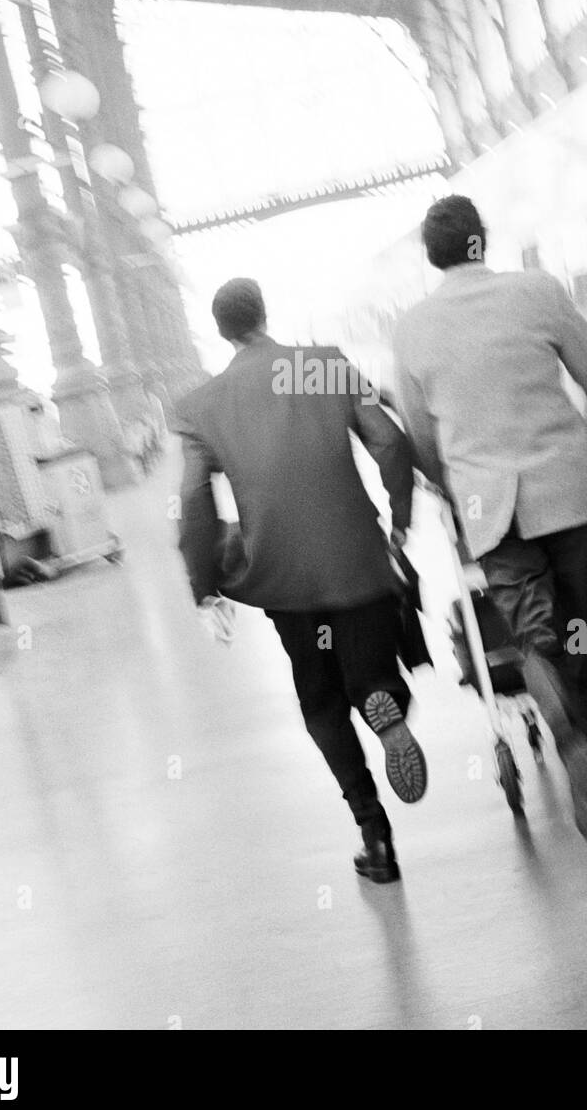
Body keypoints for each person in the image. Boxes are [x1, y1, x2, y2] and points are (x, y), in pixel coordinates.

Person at [175, 278, 427, 884]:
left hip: (283, 578)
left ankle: (375, 835)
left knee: (318, 698)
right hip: (357, 561)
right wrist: (399, 520)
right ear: (264, 314)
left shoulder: (203, 404)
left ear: (221, 332)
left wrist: (205, 585)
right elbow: (389, 441)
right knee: (370, 668)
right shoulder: (317, 368)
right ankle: (383, 703)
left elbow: (193, 500)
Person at [393, 195, 587, 851]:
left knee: (533, 626)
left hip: (485, 506)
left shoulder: (411, 328)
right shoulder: (536, 291)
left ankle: (561, 726)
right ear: (480, 242)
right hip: (566, 488)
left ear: (434, 258)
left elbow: (418, 433)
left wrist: (446, 479)